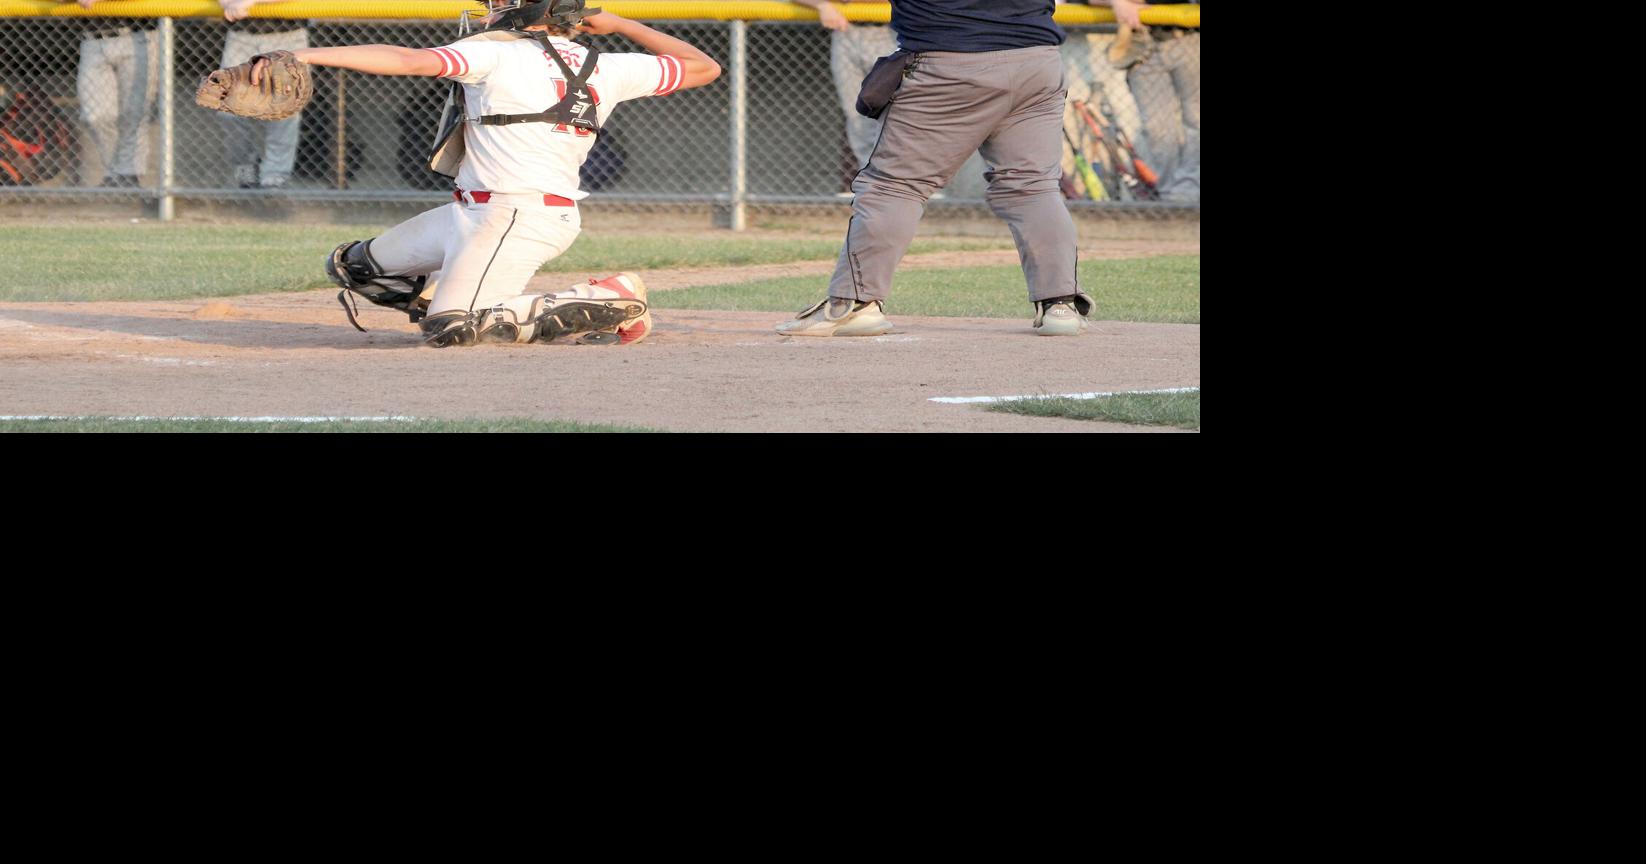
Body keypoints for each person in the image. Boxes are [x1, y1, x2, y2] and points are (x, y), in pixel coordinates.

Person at [279, 0, 720, 347]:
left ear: (523, 8)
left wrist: (302, 54)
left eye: (496, 2)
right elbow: (706, 67)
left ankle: (613, 297)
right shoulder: (607, 66)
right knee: (355, 268)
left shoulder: (492, 53)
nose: (487, 11)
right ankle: (458, 287)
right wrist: (622, 23)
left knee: (451, 327)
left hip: (515, 218)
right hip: (470, 215)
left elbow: (406, 59)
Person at [777, 0, 1093, 338]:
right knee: (1032, 187)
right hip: (1037, 59)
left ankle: (856, 302)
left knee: (895, 186)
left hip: (950, 57)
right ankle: (1060, 305)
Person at [791, 0, 987, 199]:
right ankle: (870, 185)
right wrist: (821, 5)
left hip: (893, 33)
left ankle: (921, 184)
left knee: (905, 113)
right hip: (846, 30)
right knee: (857, 115)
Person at [1104, 0, 1197, 202]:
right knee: (1157, 127)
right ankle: (1170, 195)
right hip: (1142, 43)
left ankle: (1190, 191)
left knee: (1197, 120)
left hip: (1191, 37)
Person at [216, 1, 309, 189]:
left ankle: (275, 177)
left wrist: (250, 1)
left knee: (284, 110)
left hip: (287, 34)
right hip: (241, 35)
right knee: (227, 110)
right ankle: (246, 165)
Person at [72, 0, 159, 187]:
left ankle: (128, 175)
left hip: (138, 36)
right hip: (92, 39)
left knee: (135, 112)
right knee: (94, 115)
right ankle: (116, 170)